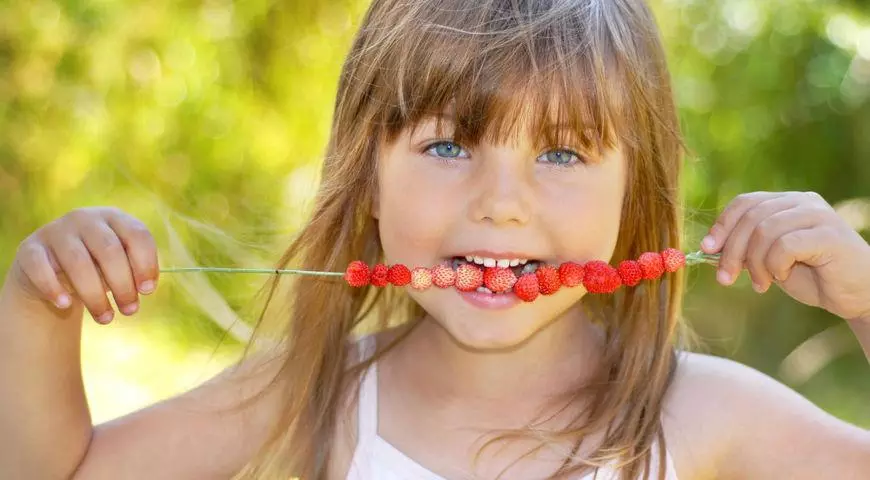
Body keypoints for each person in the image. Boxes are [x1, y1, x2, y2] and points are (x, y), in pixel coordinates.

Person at [2, 0, 870, 479]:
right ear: (367, 175)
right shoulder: (317, 393)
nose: (500, 203)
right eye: (448, 145)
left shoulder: (698, 412)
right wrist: (39, 309)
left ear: (633, 195)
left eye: (562, 152)